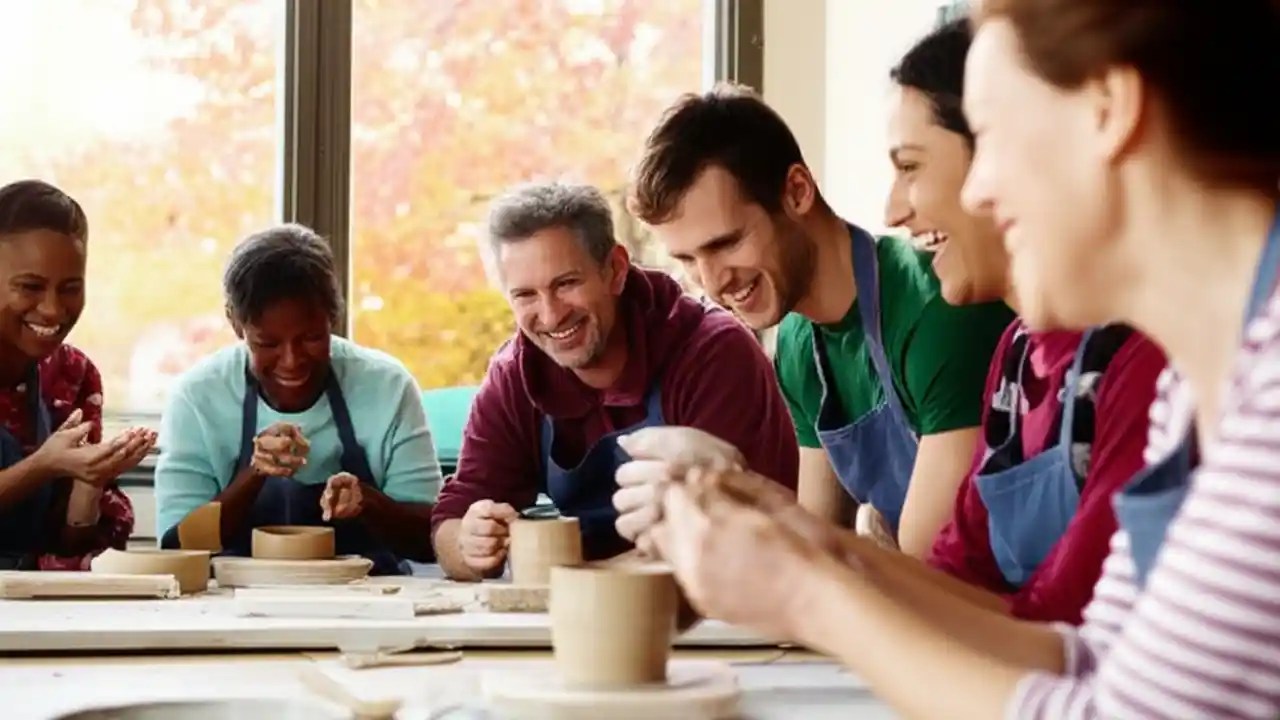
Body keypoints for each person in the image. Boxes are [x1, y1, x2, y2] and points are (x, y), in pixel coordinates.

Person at [638, 2, 1280, 718]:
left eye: (993, 136)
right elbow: (1093, 654)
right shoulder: (1193, 393)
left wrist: (806, 593)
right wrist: (801, 544)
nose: (974, 190)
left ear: (1109, 108)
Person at [627, 82, 1014, 556]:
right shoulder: (797, 343)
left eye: (726, 243)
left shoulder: (936, 307)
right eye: (687, 259)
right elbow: (815, 546)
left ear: (796, 191)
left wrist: (745, 497)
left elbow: (927, 563)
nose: (712, 281)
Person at [883, 19, 1167, 623]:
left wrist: (826, 579)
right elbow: (955, 568)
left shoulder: (1145, 356)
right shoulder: (1015, 353)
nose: (892, 210)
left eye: (910, 167)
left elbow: (1072, 620)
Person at [430, 181, 798, 581]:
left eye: (566, 283)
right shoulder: (514, 373)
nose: (551, 316)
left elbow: (746, 539)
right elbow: (450, 521)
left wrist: (587, 583)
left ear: (616, 270)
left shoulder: (713, 353)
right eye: (525, 295)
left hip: (726, 607)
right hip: (586, 604)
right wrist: (470, 543)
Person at [155, 224, 440, 575]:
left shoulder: (387, 388)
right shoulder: (198, 397)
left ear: (334, 316)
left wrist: (368, 502)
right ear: (236, 324)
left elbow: (433, 541)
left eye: (311, 338)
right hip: (234, 609)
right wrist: (254, 475)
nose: (291, 361)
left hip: (368, 606)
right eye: (268, 344)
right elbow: (175, 549)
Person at [0, 179, 155, 570]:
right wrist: (43, 466)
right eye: (30, 287)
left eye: (71, 288)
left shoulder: (73, 375)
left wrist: (89, 482)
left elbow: (68, 549)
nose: (53, 310)